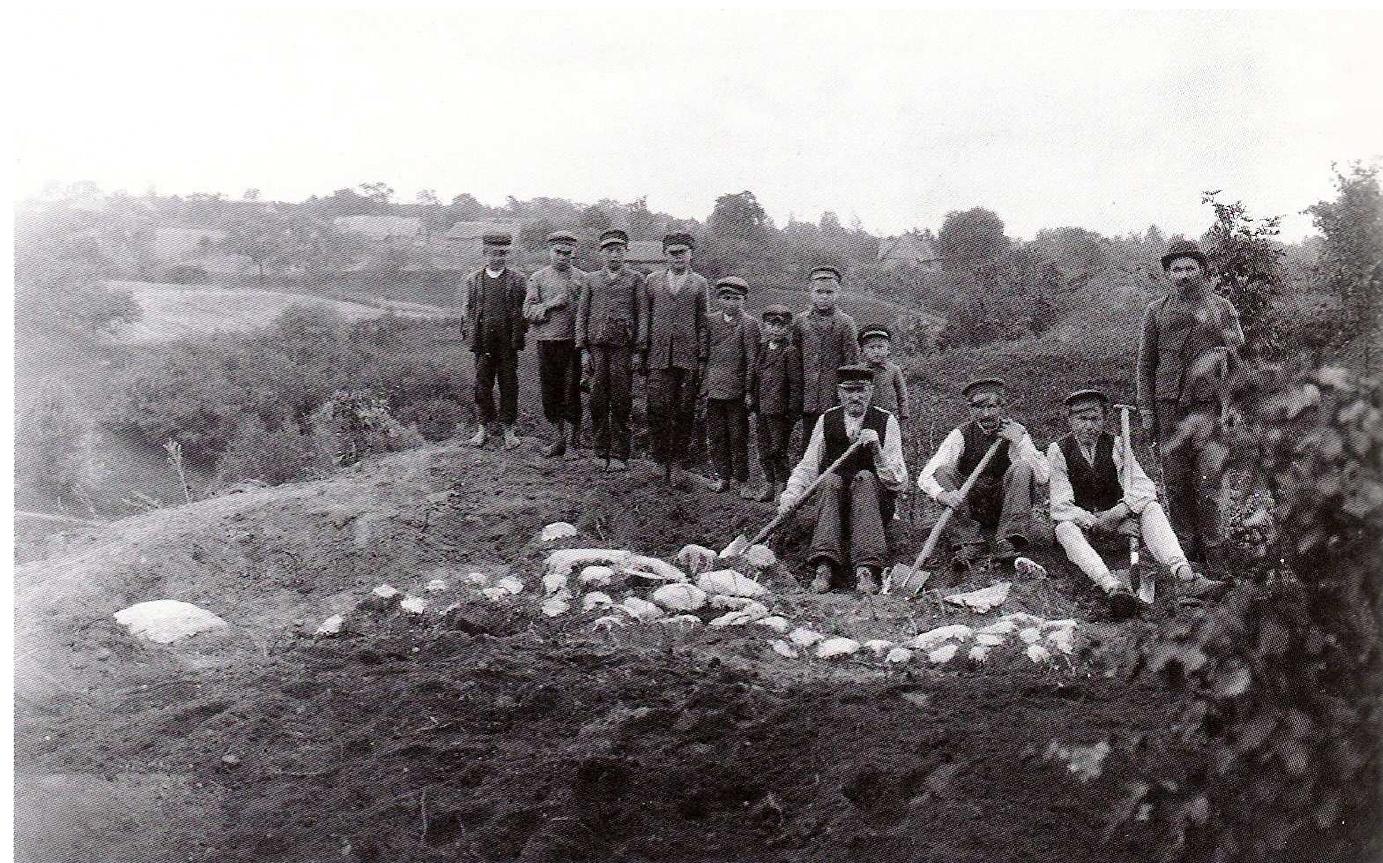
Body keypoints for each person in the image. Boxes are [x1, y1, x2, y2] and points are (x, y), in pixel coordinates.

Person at [1047, 390, 1227, 618]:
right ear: (1070, 420)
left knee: (1151, 507)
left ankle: (1185, 576)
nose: (1090, 426)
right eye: (1082, 419)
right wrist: (1098, 523)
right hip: (1086, 531)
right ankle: (1113, 587)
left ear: (1103, 419)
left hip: (1120, 526)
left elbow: (1144, 488)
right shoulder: (1059, 451)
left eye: (1095, 419)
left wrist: (1120, 511)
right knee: (1063, 527)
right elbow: (1060, 507)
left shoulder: (1117, 445)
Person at [1136, 239, 1245, 571]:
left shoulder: (1222, 308)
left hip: (1210, 408)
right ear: (1168, 274)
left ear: (1202, 270)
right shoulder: (1156, 311)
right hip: (1168, 408)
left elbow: (1238, 360)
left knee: (1212, 479)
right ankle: (1186, 552)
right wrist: (1146, 410)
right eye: (1175, 269)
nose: (1182, 275)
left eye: (1189, 268)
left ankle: (1217, 553)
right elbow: (1145, 364)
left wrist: (1235, 407)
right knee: (1176, 481)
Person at [780, 364, 909, 594]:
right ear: (840, 392)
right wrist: (791, 494)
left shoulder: (886, 421)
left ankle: (867, 568)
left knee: (865, 477)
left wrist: (877, 450)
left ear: (870, 391)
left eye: (861, 390)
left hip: (874, 506)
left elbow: (899, 481)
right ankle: (824, 565)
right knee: (829, 479)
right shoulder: (827, 419)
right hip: (835, 505)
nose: (856, 396)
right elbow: (809, 465)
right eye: (849, 391)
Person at [916, 378, 1050, 567]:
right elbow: (926, 475)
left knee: (1022, 467)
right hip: (971, 506)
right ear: (970, 410)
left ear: (1001, 407)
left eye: (991, 406)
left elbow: (1043, 476)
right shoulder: (960, 434)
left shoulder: (1016, 432)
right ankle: (969, 541)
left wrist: (1019, 442)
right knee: (943, 470)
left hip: (1004, 505)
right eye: (979, 408)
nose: (986, 414)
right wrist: (942, 495)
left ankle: (1008, 540)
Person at [576, 229, 647, 471]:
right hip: (596, 348)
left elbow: (643, 315)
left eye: (618, 250)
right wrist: (583, 348)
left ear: (625, 252)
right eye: (609, 250)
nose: (614, 255)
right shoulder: (591, 279)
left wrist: (639, 349)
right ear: (601, 253)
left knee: (620, 400)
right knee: (596, 399)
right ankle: (599, 450)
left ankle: (619, 454)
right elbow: (582, 314)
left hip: (623, 349)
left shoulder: (636, 279)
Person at [642, 232, 708, 485]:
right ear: (665, 255)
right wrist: (643, 350)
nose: (678, 257)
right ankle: (659, 460)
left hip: (687, 357)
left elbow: (702, 322)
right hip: (658, 355)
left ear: (690, 254)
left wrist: (701, 356)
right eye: (673, 253)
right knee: (657, 408)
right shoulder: (653, 281)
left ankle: (679, 462)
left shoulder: (699, 283)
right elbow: (646, 316)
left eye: (683, 252)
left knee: (684, 410)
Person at [461, 232, 527, 450]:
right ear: (484, 253)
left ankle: (509, 430)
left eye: (503, 254)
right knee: (482, 385)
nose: (498, 258)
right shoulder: (473, 280)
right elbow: (468, 310)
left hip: (507, 343)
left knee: (509, 385)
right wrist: (470, 335)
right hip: (483, 343)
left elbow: (524, 311)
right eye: (494, 254)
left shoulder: (518, 280)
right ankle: (482, 430)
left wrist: (519, 334)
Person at [523, 230, 586, 458]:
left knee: (571, 392)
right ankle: (558, 439)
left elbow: (588, 312)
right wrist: (551, 304)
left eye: (567, 253)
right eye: (558, 252)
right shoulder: (537, 278)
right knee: (551, 393)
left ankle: (573, 443)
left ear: (574, 253)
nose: (562, 257)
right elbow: (528, 311)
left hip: (573, 344)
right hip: (546, 341)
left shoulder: (582, 278)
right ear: (550, 251)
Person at [701, 276, 759, 496]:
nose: (731, 303)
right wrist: (704, 384)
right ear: (718, 299)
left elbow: (752, 360)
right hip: (714, 389)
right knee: (717, 436)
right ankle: (723, 477)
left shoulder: (749, 324)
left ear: (744, 300)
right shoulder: (711, 321)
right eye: (726, 298)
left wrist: (748, 390)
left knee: (738, 436)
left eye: (737, 299)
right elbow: (704, 354)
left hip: (737, 391)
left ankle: (742, 481)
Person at [795, 266, 859, 457]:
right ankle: (807, 483)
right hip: (807, 394)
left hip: (833, 394)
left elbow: (851, 361)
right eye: (819, 292)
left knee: (833, 440)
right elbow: (794, 358)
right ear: (810, 291)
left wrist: (846, 392)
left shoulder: (846, 323)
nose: (824, 296)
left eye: (829, 292)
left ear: (838, 292)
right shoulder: (800, 322)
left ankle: (831, 481)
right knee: (809, 441)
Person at [747, 304, 802, 502]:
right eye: (771, 325)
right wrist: (750, 396)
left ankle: (782, 483)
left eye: (781, 326)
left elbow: (796, 384)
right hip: (762, 406)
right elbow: (754, 375)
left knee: (778, 448)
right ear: (764, 327)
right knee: (763, 447)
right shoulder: (762, 348)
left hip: (780, 410)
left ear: (787, 329)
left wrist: (792, 411)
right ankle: (769, 482)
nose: (775, 330)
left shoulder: (790, 352)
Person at [858, 325, 909, 425]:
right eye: (871, 347)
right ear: (863, 351)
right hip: (865, 418)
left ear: (888, 350)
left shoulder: (894, 370)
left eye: (880, 347)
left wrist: (904, 417)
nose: (876, 351)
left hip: (889, 418)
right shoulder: (860, 370)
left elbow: (902, 396)